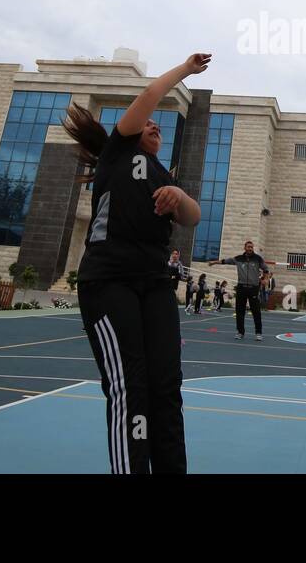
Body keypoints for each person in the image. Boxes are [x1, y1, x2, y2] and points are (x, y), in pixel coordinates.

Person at [66, 52, 209, 474]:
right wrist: (185, 70)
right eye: (148, 123)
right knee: (130, 388)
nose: (154, 124)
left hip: (155, 283)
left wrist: (179, 198)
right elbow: (149, 94)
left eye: (156, 125)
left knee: (166, 388)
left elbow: (193, 216)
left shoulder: (163, 175)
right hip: (110, 282)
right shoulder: (117, 152)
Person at [211, 240, 275, 341]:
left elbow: (266, 269)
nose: (250, 249)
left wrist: (266, 279)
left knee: (256, 311)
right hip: (241, 288)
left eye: (251, 247)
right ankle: (240, 332)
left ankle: (258, 333)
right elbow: (225, 261)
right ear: (244, 248)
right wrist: (214, 262)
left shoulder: (258, 259)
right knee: (239, 311)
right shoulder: (238, 259)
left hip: (253, 288)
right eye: (248, 247)